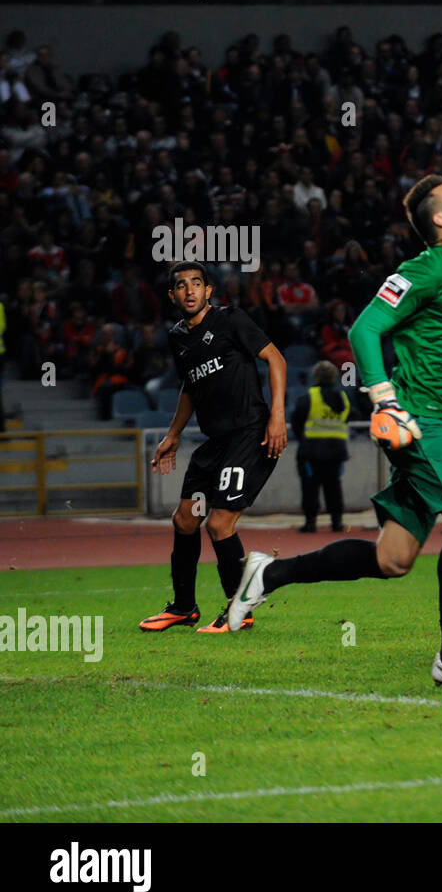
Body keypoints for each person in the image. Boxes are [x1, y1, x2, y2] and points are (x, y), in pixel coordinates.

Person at [227, 175, 442, 691]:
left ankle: (269, 575)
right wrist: (383, 398)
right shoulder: (425, 269)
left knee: (393, 559)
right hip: (414, 416)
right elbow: (364, 328)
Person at [140, 261, 287, 634]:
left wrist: (277, 416)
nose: (189, 291)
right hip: (215, 442)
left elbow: (276, 359)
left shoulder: (231, 320)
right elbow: (191, 385)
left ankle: (241, 610)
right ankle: (183, 607)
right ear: (172, 295)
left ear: (208, 291)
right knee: (185, 519)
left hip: (250, 435)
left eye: (197, 283)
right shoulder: (178, 337)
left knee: (220, 524)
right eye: (181, 286)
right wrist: (174, 433)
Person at [290, 360, 353, 533]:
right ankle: (337, 523)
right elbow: (347, 419)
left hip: (311, 452)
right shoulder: (344, 398)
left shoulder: (309, 398)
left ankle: (310, 523)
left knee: (310, 488)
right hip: (337, 451)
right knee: (334, 488)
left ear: (316, 377)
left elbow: (296, 422)